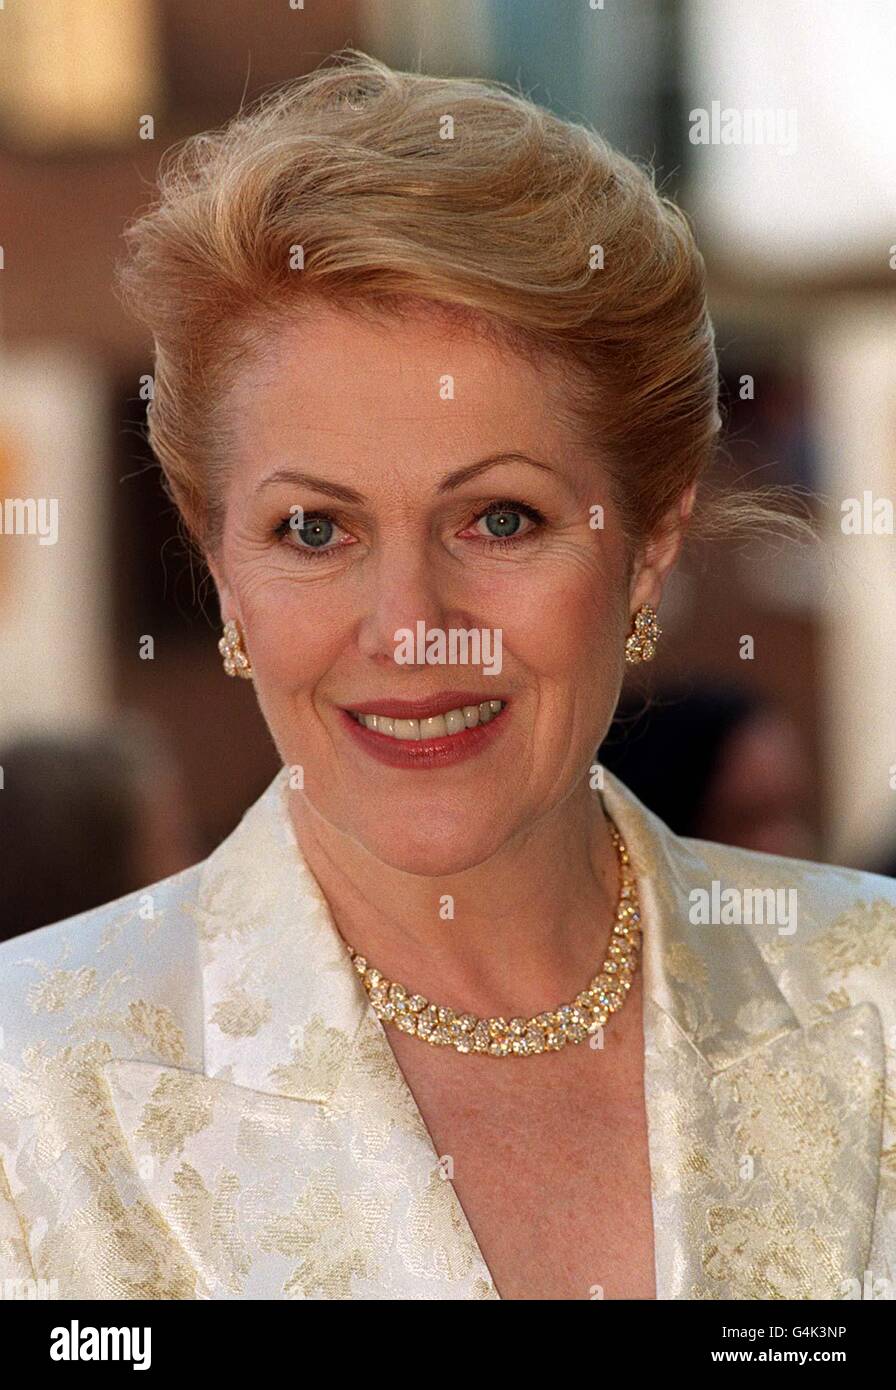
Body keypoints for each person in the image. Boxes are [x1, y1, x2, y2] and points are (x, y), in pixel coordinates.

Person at [1, 50, 893, 1302]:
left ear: (649, 549)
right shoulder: (28, 1090)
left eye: (501, 520)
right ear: (220, 566)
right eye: (315, 530)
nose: (411, 628)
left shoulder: (875, 998)